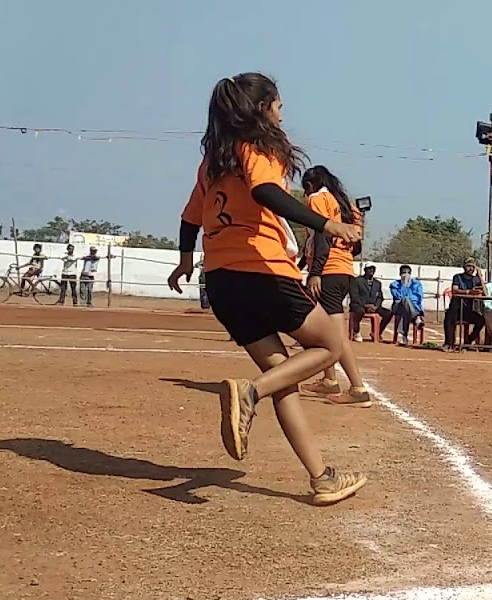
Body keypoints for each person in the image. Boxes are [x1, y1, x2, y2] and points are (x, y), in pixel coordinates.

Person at [166, 72, 368, 506]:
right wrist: (327, 223)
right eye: (278, 105)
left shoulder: (213, 162)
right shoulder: (258, 146)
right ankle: (250, 392)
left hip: (221, 280)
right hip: (262, 270)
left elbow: (190, 217)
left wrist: (186, 259)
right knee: (330, 346)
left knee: (283, 377)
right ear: (262, 109)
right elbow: (264, 190)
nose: (281, 112)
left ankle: (322, 478)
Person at [295, 165, 372, 407]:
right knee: (321, 329)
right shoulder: (347, 205)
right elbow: (357, 244)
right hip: (344, 270)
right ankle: (329, 380)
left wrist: (315, 272)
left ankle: (358, 389)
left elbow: (321, 235)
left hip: (328, 272)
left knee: (336, 337)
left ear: (309, 186)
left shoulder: (318, 199)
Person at [444, 258, 484, 351]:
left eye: (473, 267)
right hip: (457, 309)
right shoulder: (457, 277)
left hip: (469, 310)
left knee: (481, 320)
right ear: (464, 267)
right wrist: (468, 292)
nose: (471, 268)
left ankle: (468, 341)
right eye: (469, 266)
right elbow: (455, 290)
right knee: (449, 317)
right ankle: (449, 344)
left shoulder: (476, 280)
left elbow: (485, 293)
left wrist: (480, 277)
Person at [349, 265, 391, 342]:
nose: (371, 270)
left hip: (373, 306)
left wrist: (376, 306)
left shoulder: (377, 283)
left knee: (388, 313)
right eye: (369, 269)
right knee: (359, 311)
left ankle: (376, 332)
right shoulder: (357, 280)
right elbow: (354, 296)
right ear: (365, 270)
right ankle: (356, 332)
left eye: (373, 269)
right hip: (359, 305)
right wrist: (365, 305)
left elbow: (380, 297)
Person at [388, 265, 425, 346]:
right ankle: (416, 318)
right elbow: (398, 296)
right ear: (400, 274)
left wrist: (408, 300)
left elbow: (418, 298)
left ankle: (404, 337)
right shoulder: (394, 285)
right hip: (398, 307)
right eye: (403, 273)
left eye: (408, 273)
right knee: (405, 300)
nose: (405, 275)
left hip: (414, 307)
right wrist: (404, 286)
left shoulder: (417, 284)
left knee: (405, 309)